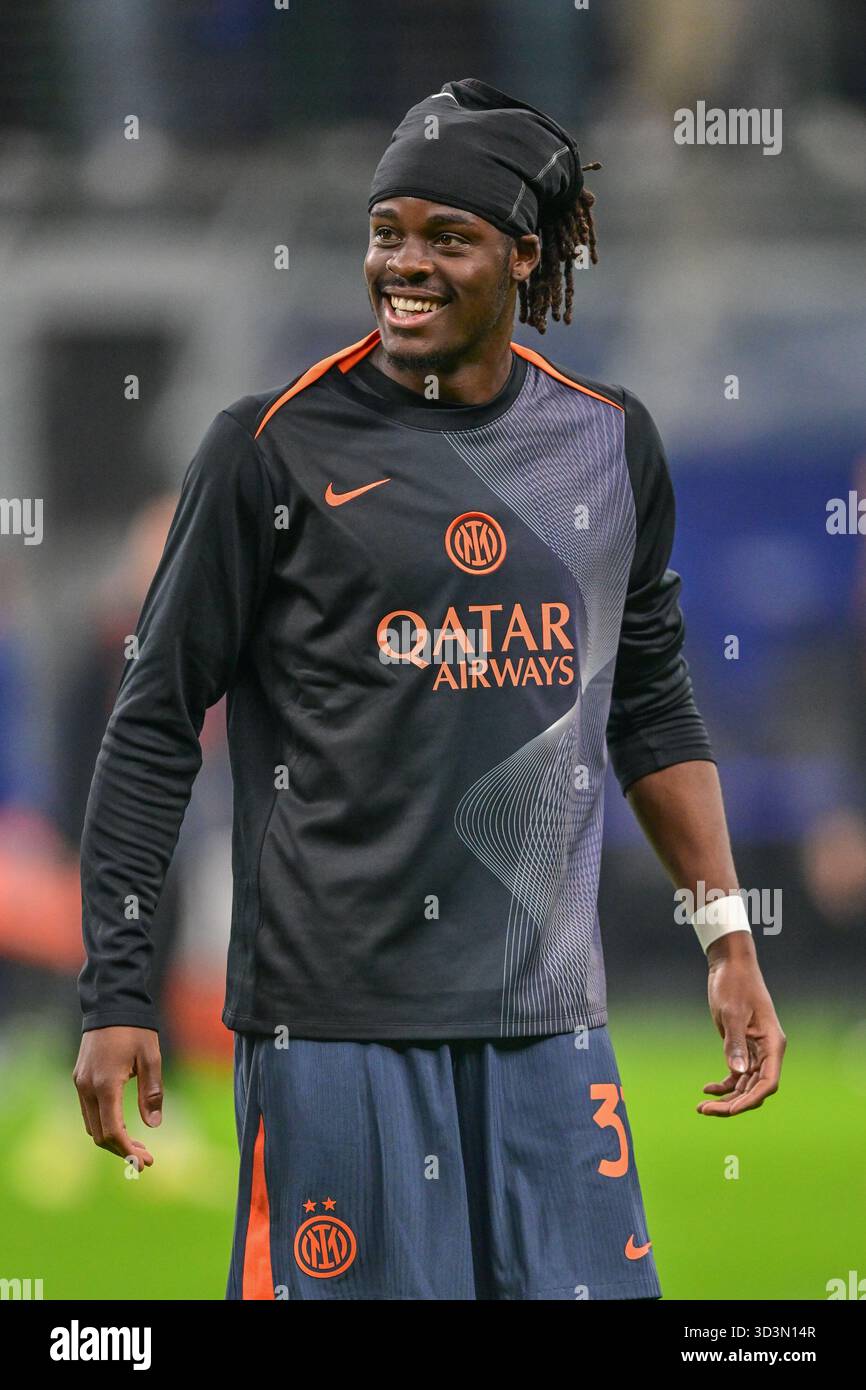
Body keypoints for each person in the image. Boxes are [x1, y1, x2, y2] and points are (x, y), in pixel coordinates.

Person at [73, 78, 786, 1301]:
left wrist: (726, 932)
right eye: (384, 231)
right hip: (331, 1035)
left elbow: (650, 706)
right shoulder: (270, 448)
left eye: (443, 237)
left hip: (551, 1027)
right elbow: (150, 729)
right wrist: (117, 989)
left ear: (522, 257)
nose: (402, 263)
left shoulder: (609, 448)